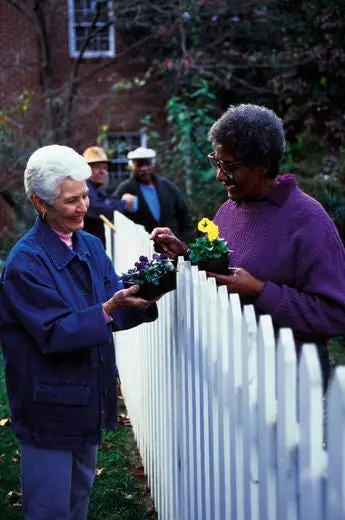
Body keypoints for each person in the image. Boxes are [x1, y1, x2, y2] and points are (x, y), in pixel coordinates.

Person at [0, 145, 159, 519]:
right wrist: (108, 308)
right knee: (50, 508)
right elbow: (53, 333)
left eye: (85, 196)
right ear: (41, 204)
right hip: (49, 407)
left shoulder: (88, 245)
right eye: (71, 201)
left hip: (87, 397)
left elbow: (112, 308)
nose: (84, 207)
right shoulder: (26, 263)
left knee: (78, 501)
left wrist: (149, 294)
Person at [151, 103, 345, 391]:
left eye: (229, 166)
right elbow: (225, 270)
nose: (219, 175)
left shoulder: (308, 221)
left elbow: (335, 315)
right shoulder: (229, 210)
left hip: (288, 383)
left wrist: (260, 291)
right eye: (217, 162)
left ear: (263, 164)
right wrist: (185, 255)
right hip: (234, 375)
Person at [115, 146, 194, 242]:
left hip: (172, 244)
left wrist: (186, 239)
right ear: (132, 166)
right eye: (139, 165)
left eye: (147, 164)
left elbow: (183, 214)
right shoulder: (126, 189)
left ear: (153, 165)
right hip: (142, 246)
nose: (144, 168)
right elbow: (115, 217)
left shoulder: (166, 186)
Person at [82, 146, 127, 248]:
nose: (102, 171)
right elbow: (99, 209)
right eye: (97, 167)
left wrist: (116, 203)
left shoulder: (97, 189)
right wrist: (124, 204)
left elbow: (110, 200)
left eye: (105, 168)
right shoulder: (84, 187)